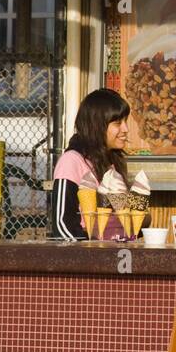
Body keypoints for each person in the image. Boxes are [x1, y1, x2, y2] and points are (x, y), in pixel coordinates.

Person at [51, 88, 131, 241]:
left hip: (116, 251)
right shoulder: (71, 161)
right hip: (87, 252)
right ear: (97, 125)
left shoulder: (113, 162)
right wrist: (90, 250)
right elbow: (62, 227)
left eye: (125, 121)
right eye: (118, 123)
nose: (125, 129)